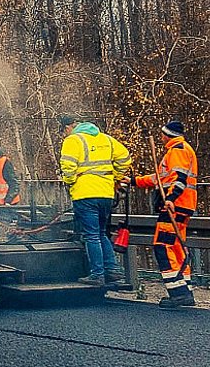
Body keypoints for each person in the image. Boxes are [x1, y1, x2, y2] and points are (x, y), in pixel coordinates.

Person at [58, 116, 132, 286]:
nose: (64, 135)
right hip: (106, 194)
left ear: (69, 128)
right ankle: (112, 270)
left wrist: (70, 182)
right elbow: (125, 158)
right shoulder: (106, 139)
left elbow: (68, 166)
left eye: (64, 131)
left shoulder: (73, 140)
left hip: (85, 194)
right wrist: (116, 177)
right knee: (100, 233)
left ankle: (97, 274)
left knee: (91, 235)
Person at [131, 121, 198, 308]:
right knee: (176, 248)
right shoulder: (178, 151)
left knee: (163, 246)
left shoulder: (178, 150)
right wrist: (134, 181)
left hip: (174, 205)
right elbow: (159, 179)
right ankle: (186, 292)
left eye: (162, 134)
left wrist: (171, 198)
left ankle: (178, 293)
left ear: (167, 135)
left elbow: (179, 178)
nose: (160, 137)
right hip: (182, 205)